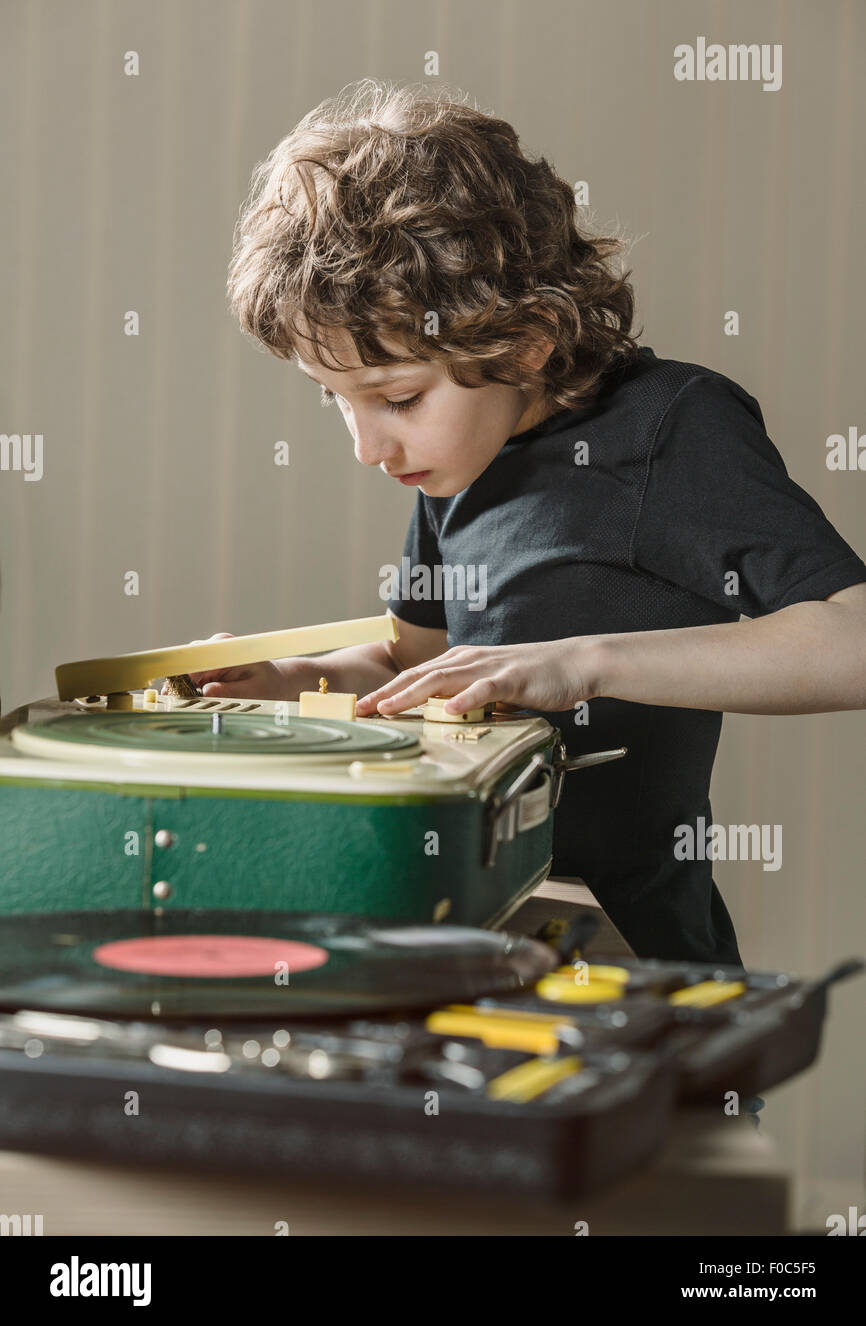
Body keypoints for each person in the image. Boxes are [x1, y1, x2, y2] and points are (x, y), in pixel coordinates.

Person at [194, 78, 866, 973]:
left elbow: (852, 639)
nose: (366, 446)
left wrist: (582, 663)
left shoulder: (672, 427)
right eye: (337, 401)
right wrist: (284, 679)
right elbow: (413, 665)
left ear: (526, 340)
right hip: (470, 936)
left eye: (396, 398)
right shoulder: (453, 457)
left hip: (634, 960)